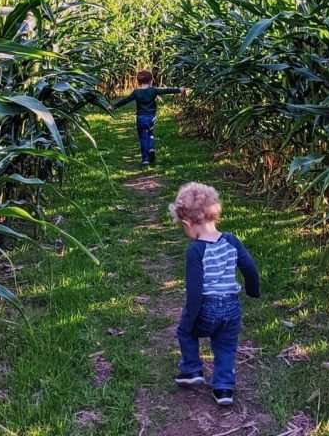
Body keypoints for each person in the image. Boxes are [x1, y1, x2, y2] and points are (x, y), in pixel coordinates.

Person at [168, 182, 260, 406]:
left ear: (187, 222)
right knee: (225, 346)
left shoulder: (196, 250)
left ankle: (191, 369)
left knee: (185, 331)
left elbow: (195, 291)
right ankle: (224, 388)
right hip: (231, 308)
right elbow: (249, 268)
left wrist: (189, 317)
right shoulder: (232, 241)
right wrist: (253, 290)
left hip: (206, 308)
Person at [112, 70, 186, 166]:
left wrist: (113, 106)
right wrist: (178, 90)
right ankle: (151, 148)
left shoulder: (136, 93)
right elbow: (166, 90)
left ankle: (145, 159)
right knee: (150, 133)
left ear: (138, 81)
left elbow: (125, 100)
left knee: (143, 137)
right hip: (151, 118)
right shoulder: (153, 90)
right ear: (151, 80)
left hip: (141, 118)